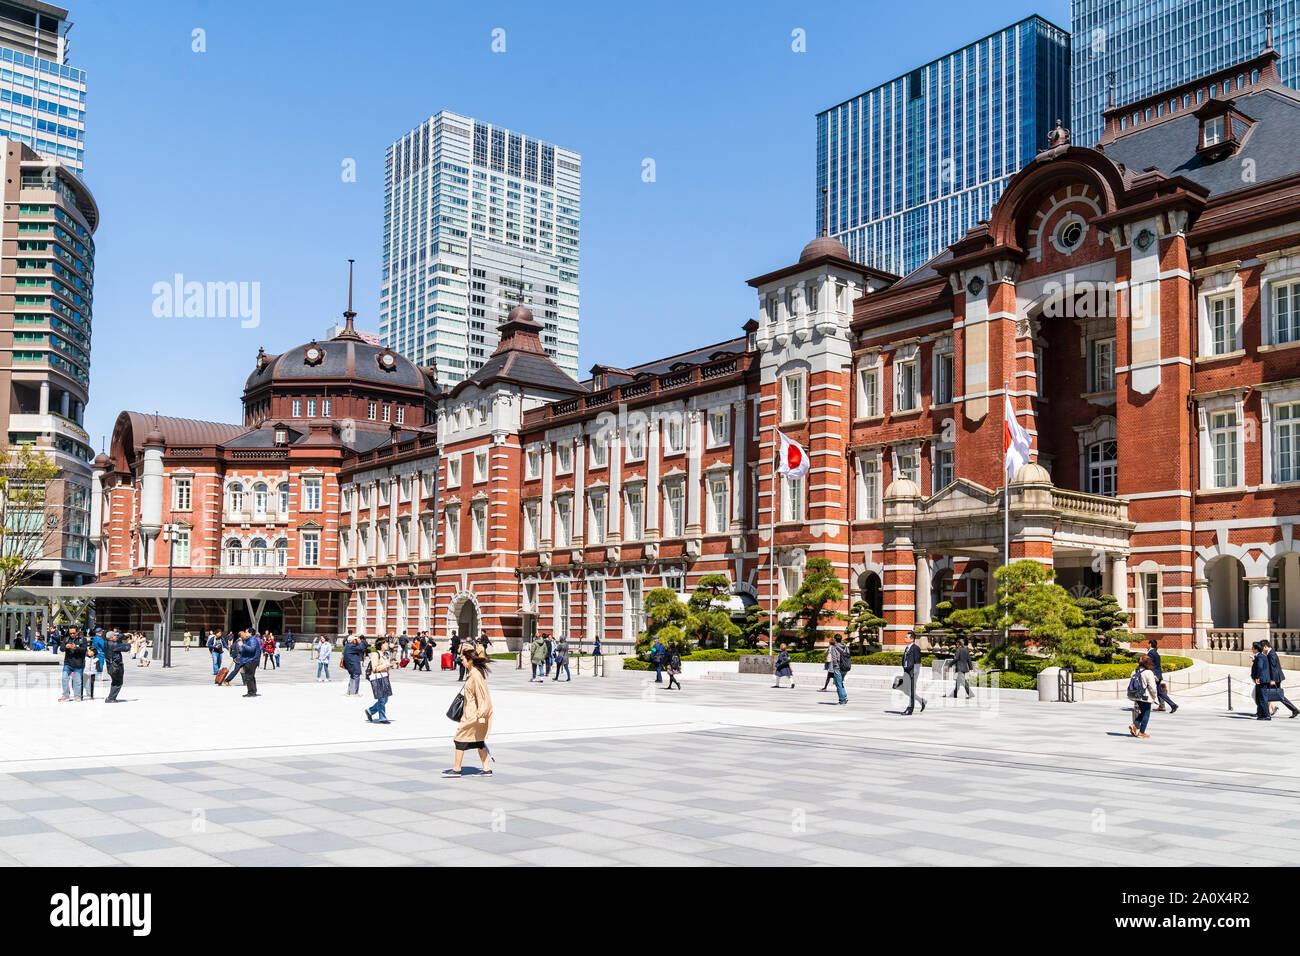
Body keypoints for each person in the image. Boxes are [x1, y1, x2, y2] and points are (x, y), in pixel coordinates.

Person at [446, 646, 493, 776]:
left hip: (473, 715)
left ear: (470, 660)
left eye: (463, 659)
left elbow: (482, 696)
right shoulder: (473, 674)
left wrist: (481, 714)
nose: (461, 661)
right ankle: (486, 768)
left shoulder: (476, 676)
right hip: (473, 714)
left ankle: (456, 769)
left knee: (459, 739)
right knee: (478, 740)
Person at [1263, 640, 1299, 718]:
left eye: (1262, 648)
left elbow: (1273, 668)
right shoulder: (1271, 653)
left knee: (1279, 696)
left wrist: (1272, 680)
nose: (1262, 650)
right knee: (1272, 695)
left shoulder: (1271, 654)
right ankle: (1267, 711)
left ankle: (1294, 709)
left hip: (1275, 678)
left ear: (1265, 646)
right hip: (1276, 677)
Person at [1127, 654, 1159, 737]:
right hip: (1146, 696)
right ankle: (1141, 732)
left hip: (1136, 695)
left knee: (1143, 713)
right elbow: (1152, 687)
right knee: (1146, 714)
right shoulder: (1149, 672)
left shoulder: (1134, 672)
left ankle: (1134, 725)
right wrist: (1155, 696)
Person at [364, 637, 393, 724]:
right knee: (382, 699)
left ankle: (370, 711)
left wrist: (390, 665)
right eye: (385, 643)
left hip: (384, 677)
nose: (387, 645)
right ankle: (382, 718)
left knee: (385, 699)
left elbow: (385, 666)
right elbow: (374, 668)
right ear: (381, 645)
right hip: (378, 678)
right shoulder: (376, 654)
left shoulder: (385, 654)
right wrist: (386, 665)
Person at [1147, 639, 1178, 714]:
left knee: (1155, 691)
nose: (1147, 645)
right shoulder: (1155, 652)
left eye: (1148, 644)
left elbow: (1151, 665)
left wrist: (1154, 675)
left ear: (1150, 644)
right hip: (1158, 675)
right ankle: (1164, 706)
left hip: (1155, 676)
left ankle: (1172, 705)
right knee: (1159, 692)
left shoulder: (1151, 653)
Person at [102, 630, 133, 703]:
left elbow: (118, 638)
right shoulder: (114, 645)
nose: (116, 637)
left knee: (114, 681)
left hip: (110, 666)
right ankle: (111, 698)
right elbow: (126, 648)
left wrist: (124, 634)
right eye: (114, 636)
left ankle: (111, 697)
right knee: (118, 682)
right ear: (112, 638)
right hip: (116, 666)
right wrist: (129, 643)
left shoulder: (106, 642)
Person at [58, 626, 87, 702]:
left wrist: (76, 648)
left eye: (73, 633)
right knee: (64, 678)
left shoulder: (83, 640)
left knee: (77, 681)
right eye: (70, 633)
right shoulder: (66, 639)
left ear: (77, 632)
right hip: (68, 663)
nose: (72, 634)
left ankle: (77, 696)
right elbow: (61, 649)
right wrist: (65, 646)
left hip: (78, 663)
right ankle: (65, 695)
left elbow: (84, 650)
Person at [901, 631, 926, 715]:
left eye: (906, 637)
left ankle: (910, 709)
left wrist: (914, 674)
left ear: (912, 639)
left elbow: (917, 662)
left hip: (912, 673)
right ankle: (921, 701)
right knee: (906, 690)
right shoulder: (907, 648)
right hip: (906, 672)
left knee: (911, 691)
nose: (905, 638)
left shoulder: (916, 648)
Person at [1251, 642, 1271, 719]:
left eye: (1253, 648)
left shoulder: (1259, 657)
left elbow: (1260, 667)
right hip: (1263, 679)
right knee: (1260, 697)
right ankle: (1261, 714)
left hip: (1261, 679)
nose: (1252, 649)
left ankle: (1266, 715)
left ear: (1256, 649)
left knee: (1262, 698)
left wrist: (1257, 677)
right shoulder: (1262, 656)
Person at [826, 634, 848, 705]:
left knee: (838, 684)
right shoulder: (845, 646)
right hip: (845, 667)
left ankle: (842, 701)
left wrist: (835, 666)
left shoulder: (834, 647)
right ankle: (844, 697)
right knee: (840, 683)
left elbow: (834, 658)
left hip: (838, 668)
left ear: (835, 639)